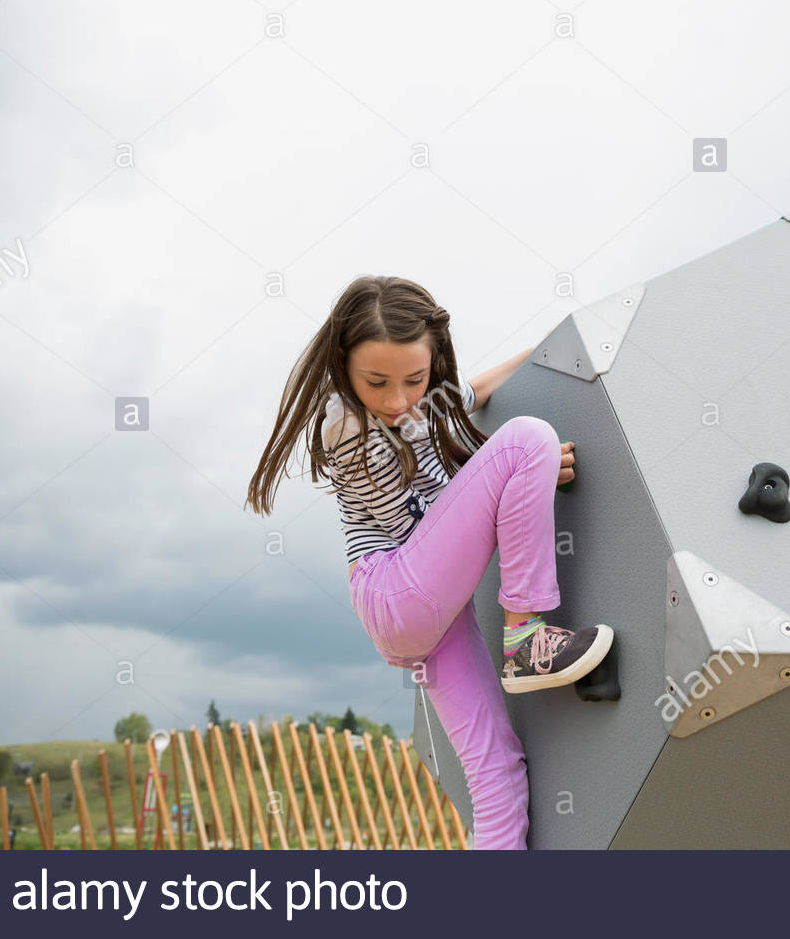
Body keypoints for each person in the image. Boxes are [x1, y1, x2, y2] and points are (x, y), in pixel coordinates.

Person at [245, 274, 614, 849]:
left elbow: (483, 385)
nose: (396, 400)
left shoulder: (424, 407)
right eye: (376, 381)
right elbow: (416, 524)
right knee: (526, 440)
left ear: (432, 361)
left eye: (414, 379)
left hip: (431, 618)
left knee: (496, 774)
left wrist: (571, 332)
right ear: (344, 367)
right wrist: (521, 474)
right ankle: (526, 637)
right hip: (395, 588)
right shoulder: (345, 423)